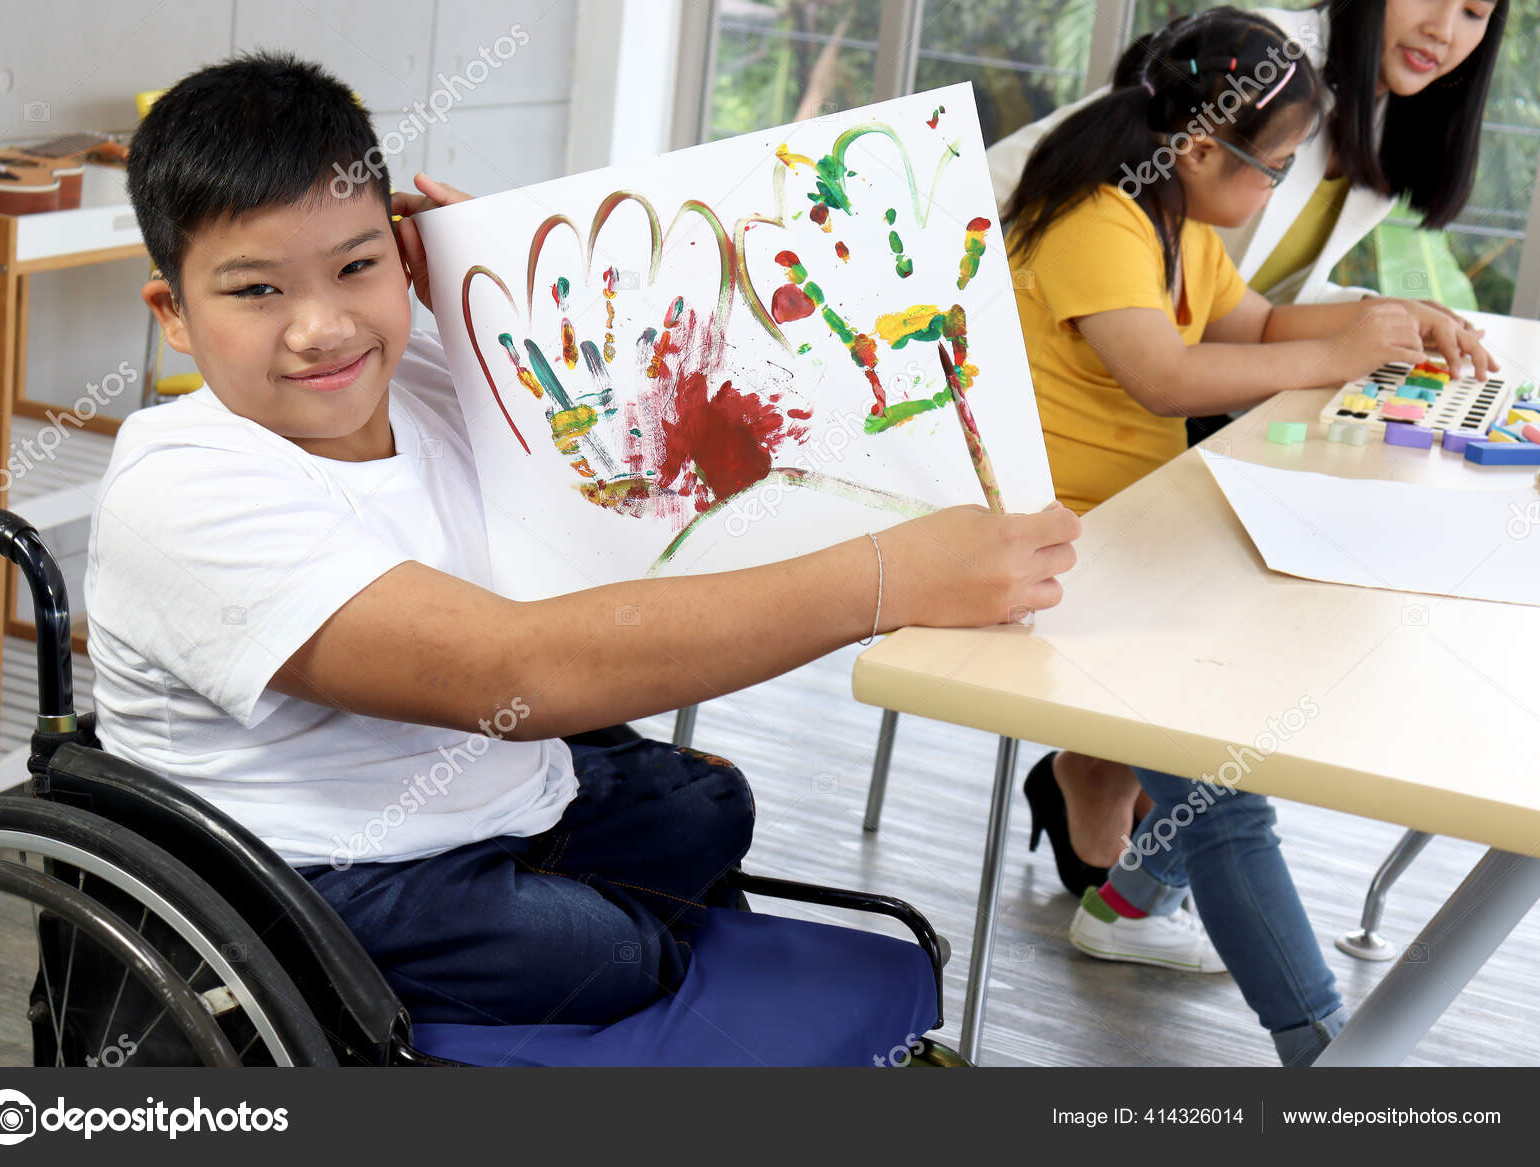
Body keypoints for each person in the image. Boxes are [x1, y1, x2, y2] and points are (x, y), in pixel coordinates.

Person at [89, 51, 1082, 1031]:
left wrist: (486, 276)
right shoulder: (179, 485)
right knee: (607, 954)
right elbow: (509, 674)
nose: (321, 327)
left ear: (403, 251)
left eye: (356, 267)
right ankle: (613, 961)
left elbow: (638, 471)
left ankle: (589, 930)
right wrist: (883, 580)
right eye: (256, 291)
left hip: (489, 794)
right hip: (308, 867)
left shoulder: (425, 375)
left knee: (709, 805)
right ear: (174, 313)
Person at [1003, 8, 1496, 1065]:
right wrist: (1334, 355)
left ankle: (1129, 900)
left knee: (1274, 671)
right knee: (1223, 791)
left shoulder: (1177, 226)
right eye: (1272, 169)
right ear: (1196, 149)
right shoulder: (1100, 220)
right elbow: (1166, 376)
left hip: (1133, 534)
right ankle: (1326, 1053)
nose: (1277, 192)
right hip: (1053, 553)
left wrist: (1380, 323)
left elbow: (1261, 326)